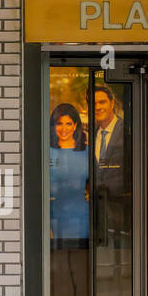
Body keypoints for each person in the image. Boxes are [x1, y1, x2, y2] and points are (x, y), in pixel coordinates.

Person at [92, 84, 129, 244]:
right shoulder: (91, 134)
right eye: (93, 104)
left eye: (102, 102)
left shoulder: (127, 130)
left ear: (112, 103)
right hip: (98, 207)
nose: (98, 107)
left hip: (122, 205)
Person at [48, 102, 89, 246]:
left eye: (68, 123)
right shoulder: (46, 152)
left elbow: (98, 181)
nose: (63, 129)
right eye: (59, 124)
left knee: (80, 261)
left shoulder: (87, 152)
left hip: (82, 217)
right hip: (54, 218)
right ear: (53, 126)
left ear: (76, 125)